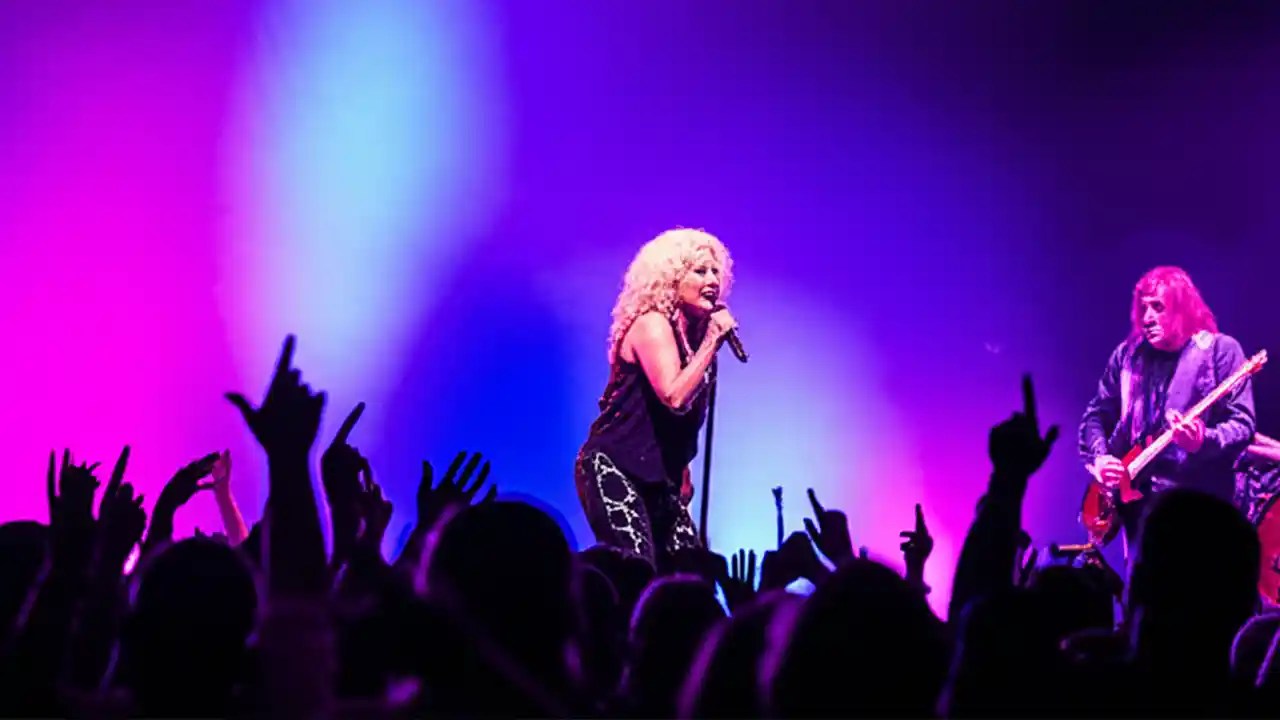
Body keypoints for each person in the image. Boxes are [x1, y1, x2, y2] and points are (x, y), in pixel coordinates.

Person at [575, 227, 739, 571]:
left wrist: (682, 471)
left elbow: (681, 419)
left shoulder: (692, 342)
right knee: (638, 570)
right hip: (615, 465)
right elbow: (674, 397)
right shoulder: (652, 324)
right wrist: (712, 341)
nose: (712, 280)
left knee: (691, 575)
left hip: (661, 477)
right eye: (700, 271)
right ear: (670, 278)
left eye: (715, 272)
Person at [1078, 266, 1256, 548]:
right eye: (1143, 308)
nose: (1147, 318)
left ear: (1182, 309)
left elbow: (1243, 424)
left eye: (1158, 307)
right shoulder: (1127, 356)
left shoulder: (1220, 351)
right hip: (1138, 511)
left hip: (1199, 506)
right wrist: (1100, 458)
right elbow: (1097, 415)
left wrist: (1203, 441)